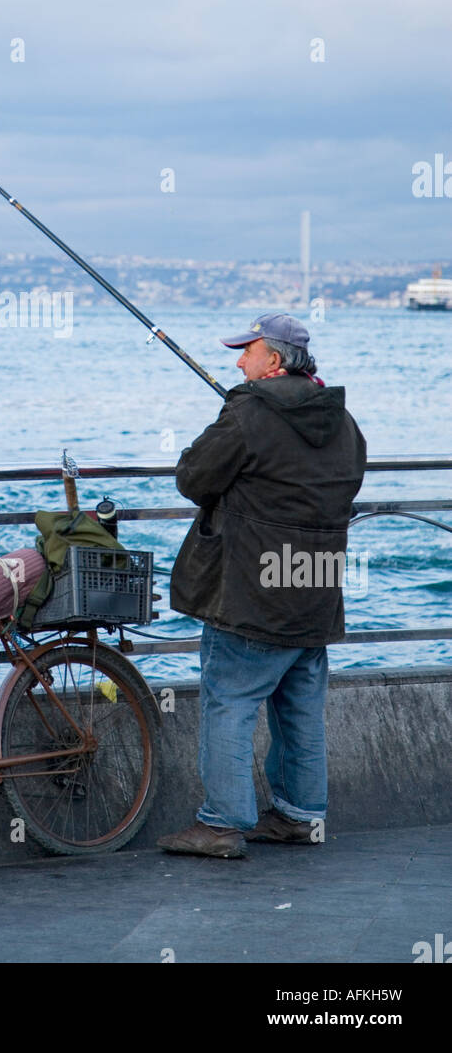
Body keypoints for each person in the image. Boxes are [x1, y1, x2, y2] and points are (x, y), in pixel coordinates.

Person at [158, 313, 367, 859]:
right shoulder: (342, 421)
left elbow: (193, 477)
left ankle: (222, 824)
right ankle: (299, 817)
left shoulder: (249, 413)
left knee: (230, 702)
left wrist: (234, 412)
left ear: (273, 361)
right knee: (300, 707)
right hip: (317, 587)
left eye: (246, 351)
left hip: (255, 591)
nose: (237, 361)